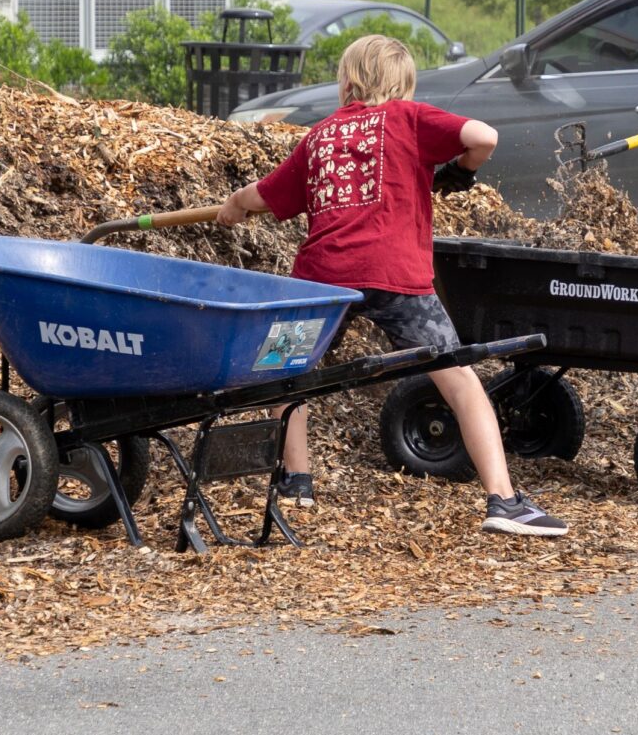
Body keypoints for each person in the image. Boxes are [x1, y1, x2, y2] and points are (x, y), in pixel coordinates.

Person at [218, 34, 567, 538]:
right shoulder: (408, 118)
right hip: (396, 277)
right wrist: (460, 172)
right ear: (403, 84)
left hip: (323, 280)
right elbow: (484, 137)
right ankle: (504, 501)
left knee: (288, 375)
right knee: (460, 381)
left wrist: (233, 204)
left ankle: (296, 483)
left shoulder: (319, 136)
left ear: (347, 81)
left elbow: (265, 196)